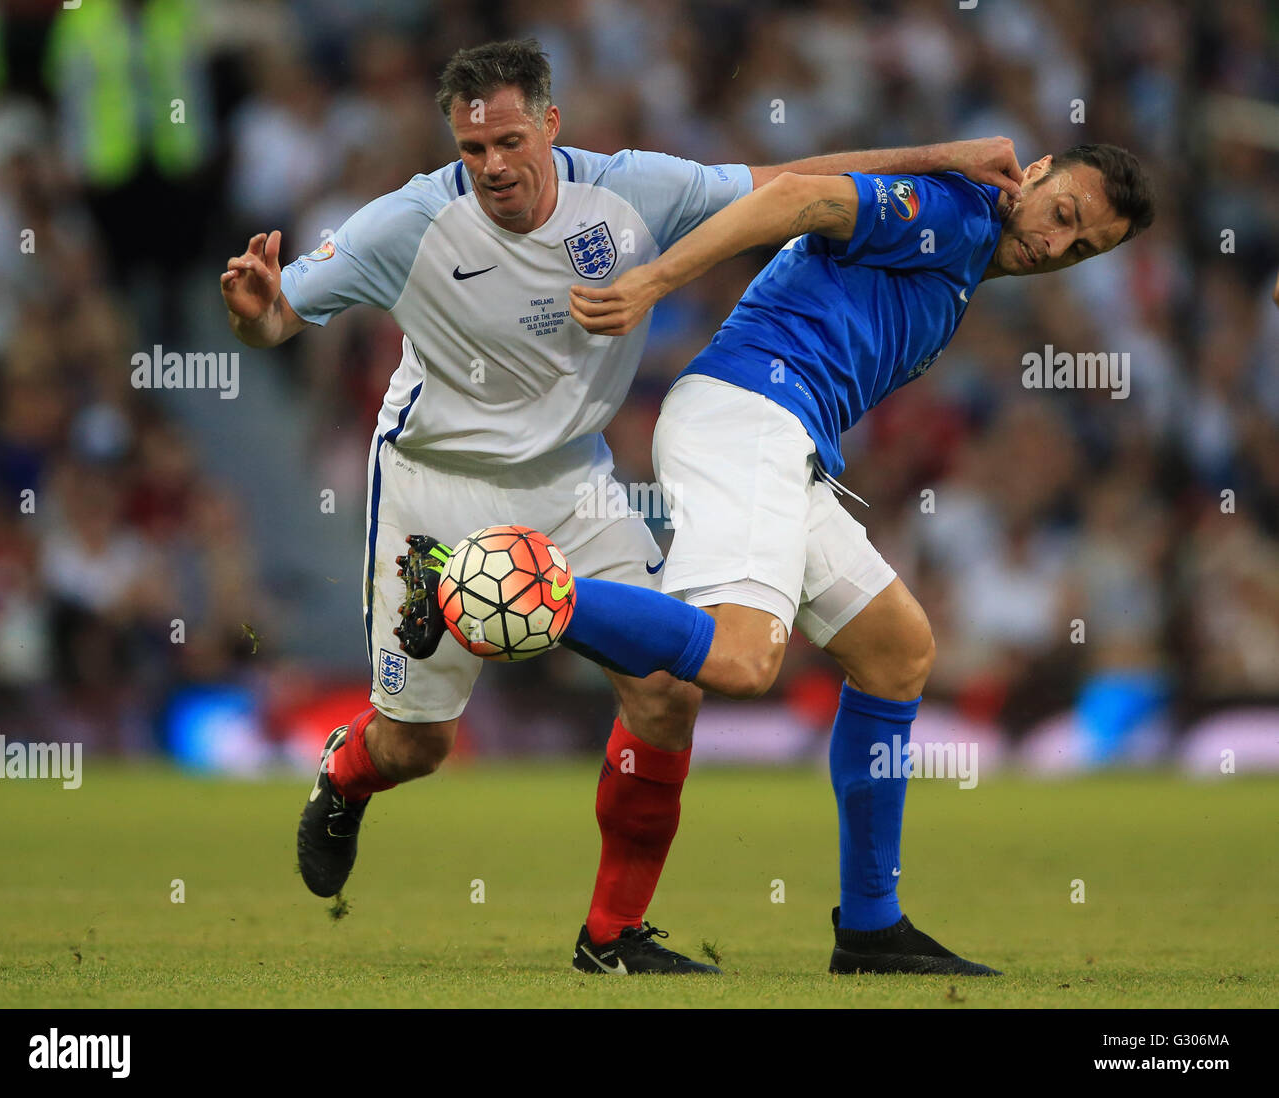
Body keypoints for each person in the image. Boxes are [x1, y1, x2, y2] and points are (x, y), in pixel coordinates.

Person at [220, 37, 1025, 975]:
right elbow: (279, 317)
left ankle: (610, 936)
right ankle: (346, 774)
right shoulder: (407, 223)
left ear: (551, 126)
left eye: (510, 142)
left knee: (667, 690)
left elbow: (796, 179)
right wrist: (255, 309)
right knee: (419, 745)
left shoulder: (633, 188)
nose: (493, 167)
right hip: (435, 489)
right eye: (473, 150)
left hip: (574, 482)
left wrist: (947, 158)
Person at [409, 143, 1155, 974]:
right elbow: (793, 197)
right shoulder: (954, 211)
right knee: (739, 660)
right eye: (1063, 216)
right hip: (748, 417)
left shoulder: (967, 250)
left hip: (782, 439)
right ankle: (485, 582)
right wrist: (653, 283)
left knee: (896, 651)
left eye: (1082, 248)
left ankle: (870, 929)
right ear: (1039, 172)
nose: (1056, 247)